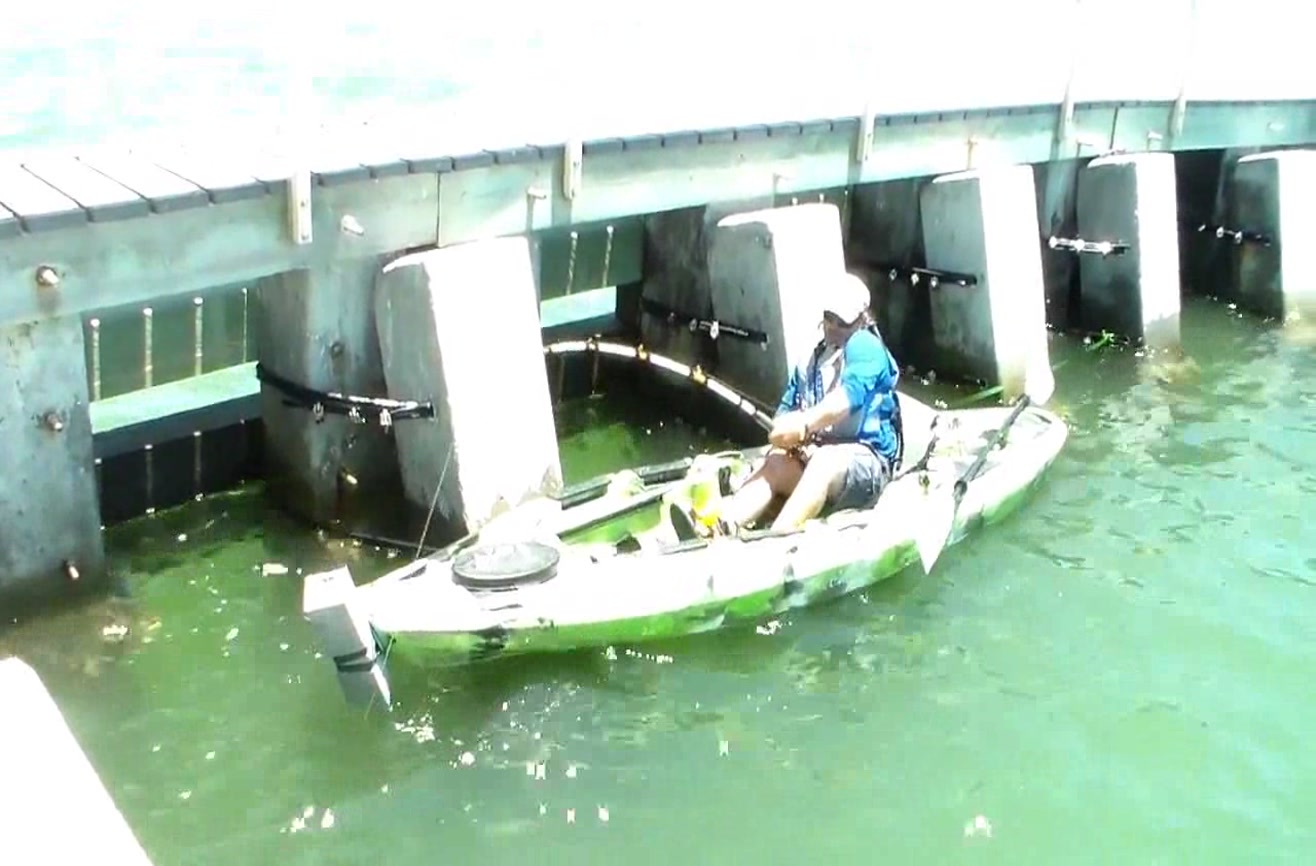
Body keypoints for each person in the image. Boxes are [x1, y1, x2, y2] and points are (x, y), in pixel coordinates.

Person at [670, 271, 902, 540]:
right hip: (819, 460)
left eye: (842, 322)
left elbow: (847, 399)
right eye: (829, 318)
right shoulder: (811, 360)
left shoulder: (866, 346)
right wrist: (786, 435)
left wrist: (804, 425)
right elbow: (786, 411)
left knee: (824, 462)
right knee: (776, 464)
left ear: (861, 320)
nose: (833, 327)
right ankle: (718, 527)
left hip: (870, 466)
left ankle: (775, 543)